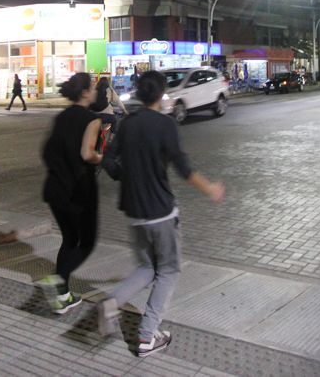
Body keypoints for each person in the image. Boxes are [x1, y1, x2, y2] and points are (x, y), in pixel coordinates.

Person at [96, 71, 225, 357]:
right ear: (161, 94)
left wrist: (123, 175)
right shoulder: (165, 125)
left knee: (146, 268)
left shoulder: (127, 124)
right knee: (168, 271)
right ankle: (146, 336)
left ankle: (112, 301)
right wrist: (211, 189)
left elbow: (107, 159)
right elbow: (184, 169)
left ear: (140, 94)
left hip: (133, 212)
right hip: (161, 213)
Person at [37, 73, 105, 314]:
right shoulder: (91, 119)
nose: (96, 91)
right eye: (94, 87)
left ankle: (62, 296)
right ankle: (57, 281)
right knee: (86, 242)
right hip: (78, 192)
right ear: (85, 93)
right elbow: (88, 154)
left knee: (69, 239)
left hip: (55, 190)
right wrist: (102, 158)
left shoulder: (61, 117)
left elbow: (47, 151)